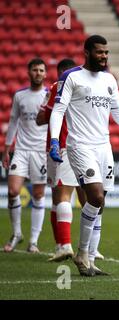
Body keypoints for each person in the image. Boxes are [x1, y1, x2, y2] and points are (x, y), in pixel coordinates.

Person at [49, 35, 119, 276]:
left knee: (100, 204)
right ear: (87, 52)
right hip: (80, 145)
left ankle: (90, 259)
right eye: (99, 52)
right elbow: (58, 110)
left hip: (104, 147)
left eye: (106, 52)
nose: (104, 56)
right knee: (96, 195)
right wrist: (52, 140)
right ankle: (81, 254)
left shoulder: (109, 79)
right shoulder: (71, 77)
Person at [36, 58, 88, 262]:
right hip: (85, 147)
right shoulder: (87, 87)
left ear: (60, 73)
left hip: (60, 147)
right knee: (88, 196)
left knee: (60, 196)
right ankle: (91, 249)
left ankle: (63, 245)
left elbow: (41, 119)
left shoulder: (57, 87)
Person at [2, 58, 48, 253]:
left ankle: (34, 241)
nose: (38, 73)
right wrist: (6, 150)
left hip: (41, 151)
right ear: (28, 73)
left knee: (38, 194)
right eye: (35, 70)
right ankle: (16, 234)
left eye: (41, 70)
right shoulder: (20, 96)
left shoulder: (49, 96)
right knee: (13, 191)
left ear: (45, 74)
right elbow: (13, 122)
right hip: (20, 150)